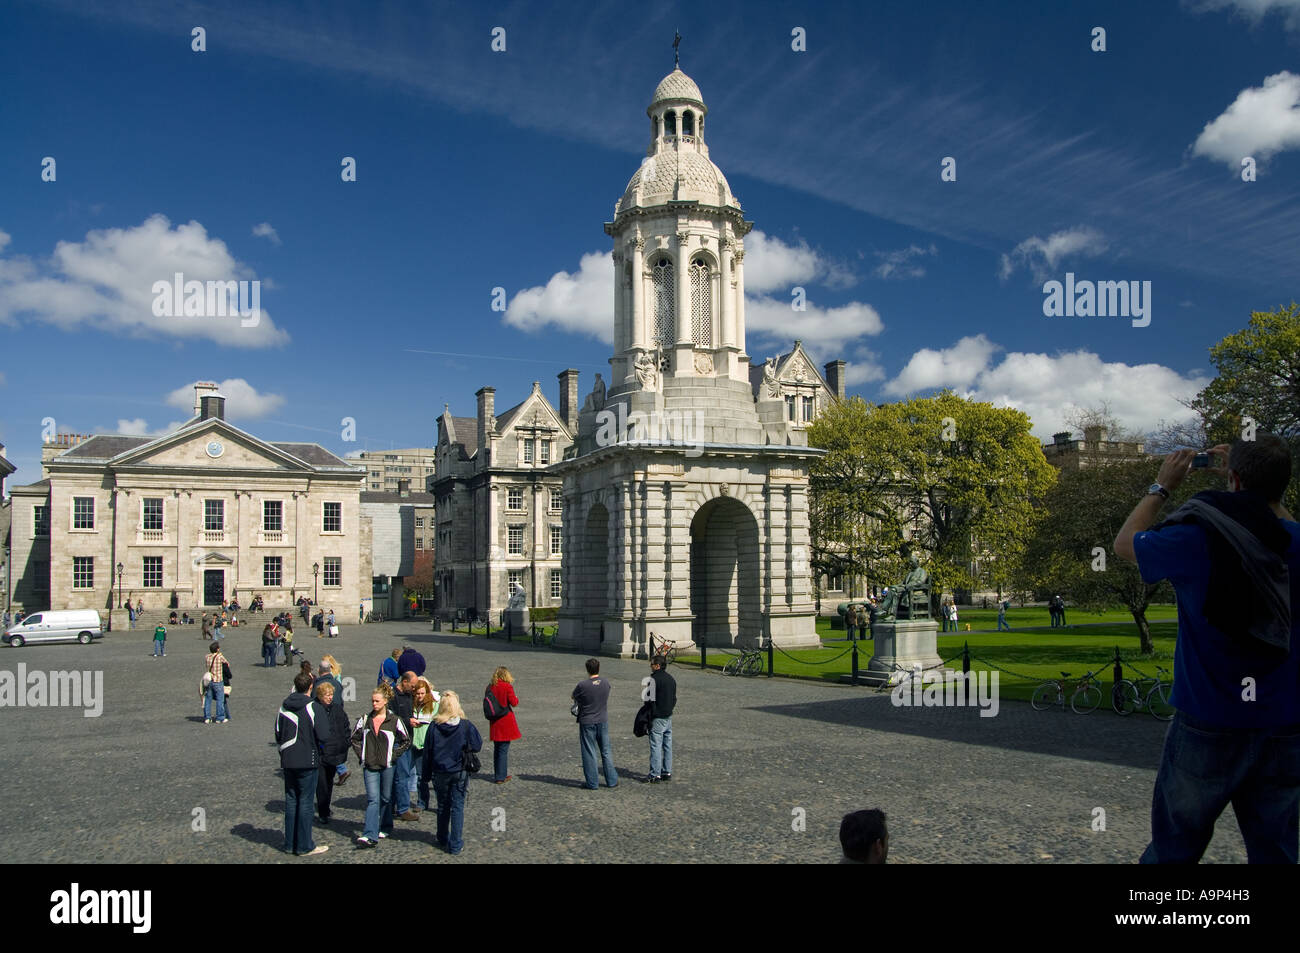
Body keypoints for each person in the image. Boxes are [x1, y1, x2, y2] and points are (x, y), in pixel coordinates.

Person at [1114, 436, 1300, 863]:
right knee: (1277, 850)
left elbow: (1126, 544)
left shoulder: (1197, 536)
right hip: (1285, 721)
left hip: (1210, 717)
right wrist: (1266, 494)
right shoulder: (1290, 541)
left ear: (1232, 478)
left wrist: (1161, 487)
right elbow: (1284, 527)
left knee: (1175, 847)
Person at [275, 671, 331, 856]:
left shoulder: (283, 707)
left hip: (288, 759)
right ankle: (305, 845)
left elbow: (277, 732)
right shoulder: (313, 707)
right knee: (306, 802)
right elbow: (324, 735)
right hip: (308, 759)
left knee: (291, 801)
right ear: (310, 687)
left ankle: (290, 843)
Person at [422, 690, 482, 855]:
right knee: (457, 807)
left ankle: (442, 837)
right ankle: (455, 844)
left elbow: (427, 752)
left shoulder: (434, 727)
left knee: (443, 805)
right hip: (459, 771)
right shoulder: (465, 725)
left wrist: (425, 776)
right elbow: (477, 744)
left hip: (440, 772)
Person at [350, 683, 410, 848]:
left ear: (385, 701)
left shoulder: (394, 720)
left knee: (385, 798)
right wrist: (362, 755)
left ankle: (385, 825)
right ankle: (370, 834)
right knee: (373, 799)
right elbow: (354, 738)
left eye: (376, 701)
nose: (374, 704)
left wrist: (393, 755)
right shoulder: (365, 719)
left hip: (388, 765)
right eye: (372, 701)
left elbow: (406, 741)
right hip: (369, 765)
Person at [572, 658, 617, 790]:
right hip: (602, 719)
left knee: (589, 751)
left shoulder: (583, 685)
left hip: (587, 720)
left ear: (587, 669)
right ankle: (612, 780)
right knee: (606, 751)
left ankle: (592, 782)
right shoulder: (605, 683)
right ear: (599, 668)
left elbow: (573, 696)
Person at [313, 680, 350, 827]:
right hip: (321, 754)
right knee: (321, 784)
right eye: (327, 695)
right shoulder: (315, 709)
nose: (330, 697)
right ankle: (323, 811)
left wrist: (345, 742)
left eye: (331, 695)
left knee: (329, 782)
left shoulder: (337, 709)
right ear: (320, 695)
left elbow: (345, 726)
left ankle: (325, 807)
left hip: (334, 752)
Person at [390, 672, 420, 822]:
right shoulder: (392, 696)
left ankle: (393, 806)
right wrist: (409, 721)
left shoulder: (408, 694)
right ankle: (402, 808)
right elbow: (392, 718)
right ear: (405, 682)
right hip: (398, 741)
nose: (413, 689)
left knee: (403, 774)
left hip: (408, 739)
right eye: (412, 686)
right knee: (402, 776)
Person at [643, 654, 676, 783]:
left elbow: (648, 699)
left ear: (657, 665)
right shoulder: (671, 679)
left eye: (652, 664)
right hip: (668, 715)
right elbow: (674, 698)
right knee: (667, 745)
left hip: (657, 717)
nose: (650, 666)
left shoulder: (653, 679)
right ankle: (666, 771)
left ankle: (654, 774)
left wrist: (651, 712)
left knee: (656, 745)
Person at [486, 667, 521, 784]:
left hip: (495, 720)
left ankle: (498, 774)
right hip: (505, 720)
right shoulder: (507, 687)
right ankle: (501, 776)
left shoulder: (490, 687)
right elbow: (514, 702)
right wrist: (516, 698)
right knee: (503, 750)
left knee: (497, 749)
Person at [411, 677, 440, 809]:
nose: (420, 696)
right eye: (418, 694)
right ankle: (422, 802)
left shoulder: (435, 705)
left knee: (435, 776)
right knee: (420, 776)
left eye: (423, 693)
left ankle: (441, 803)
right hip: (416, 744)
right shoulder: (412, 704)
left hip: (430, 745)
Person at [203, 641, 228, 724]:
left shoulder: (207, 657)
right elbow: (227, 664)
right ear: (217, 649)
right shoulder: (219, 657)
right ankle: (220, 717)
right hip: (218, 680)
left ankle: (207, 717)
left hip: (209, 680)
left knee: (208, 699)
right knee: (220, 699)